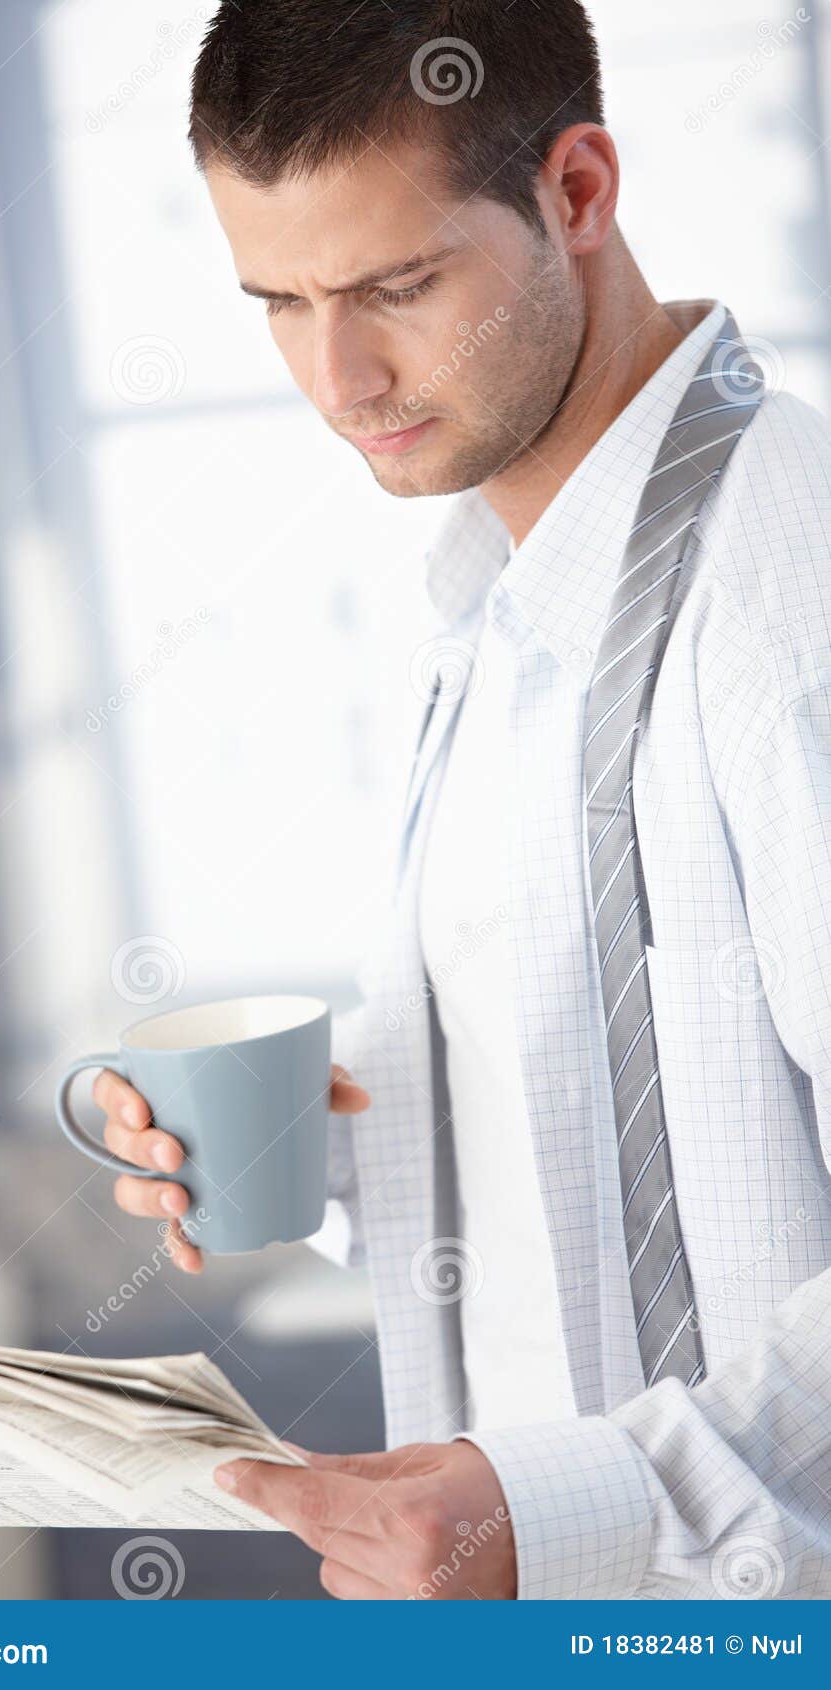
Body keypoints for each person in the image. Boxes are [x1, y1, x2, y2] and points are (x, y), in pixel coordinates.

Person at [92, 0, 831, 1599]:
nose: (338, 378)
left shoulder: (790, 594)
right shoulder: (499, 608)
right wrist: (316, 1140)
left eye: (395, 288)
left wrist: (561, 1509)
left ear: (579, 191)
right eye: (280, 304)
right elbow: (598, 1160)